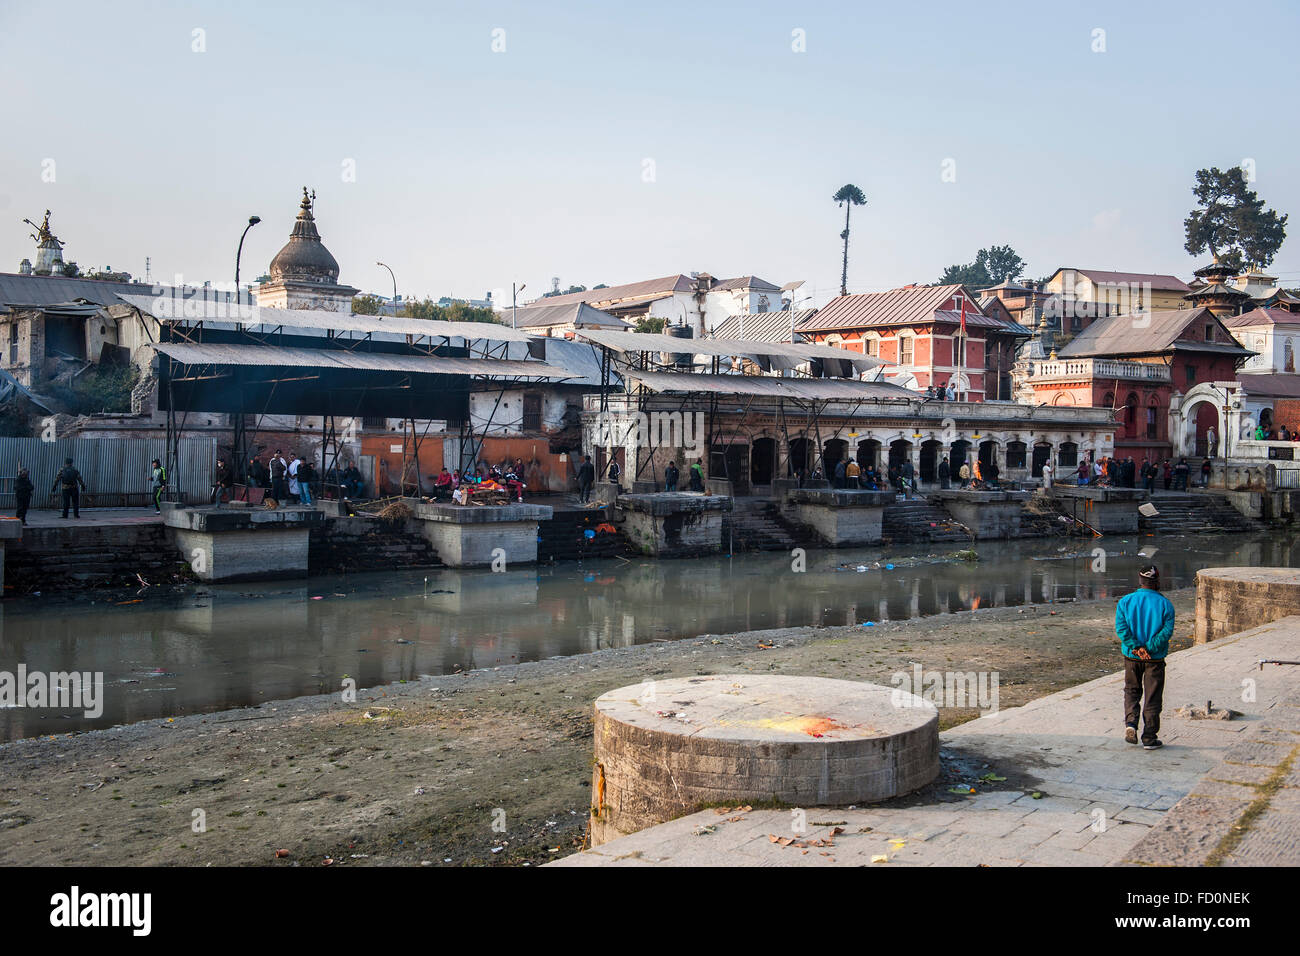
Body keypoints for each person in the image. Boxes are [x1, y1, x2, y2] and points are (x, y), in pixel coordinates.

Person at [1116, 565, 1174, 750]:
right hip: (1155, 659)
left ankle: (1131, 724)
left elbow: (1122, 629)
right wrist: (1148, 648)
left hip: (1132, 657)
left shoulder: (1125, 602)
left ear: (1140, 581)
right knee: (1153, 697)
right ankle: (1149, 737)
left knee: (1132, 691)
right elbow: (1166, 632)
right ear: (1157, 582)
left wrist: (1137, 648)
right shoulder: (1166, 605)